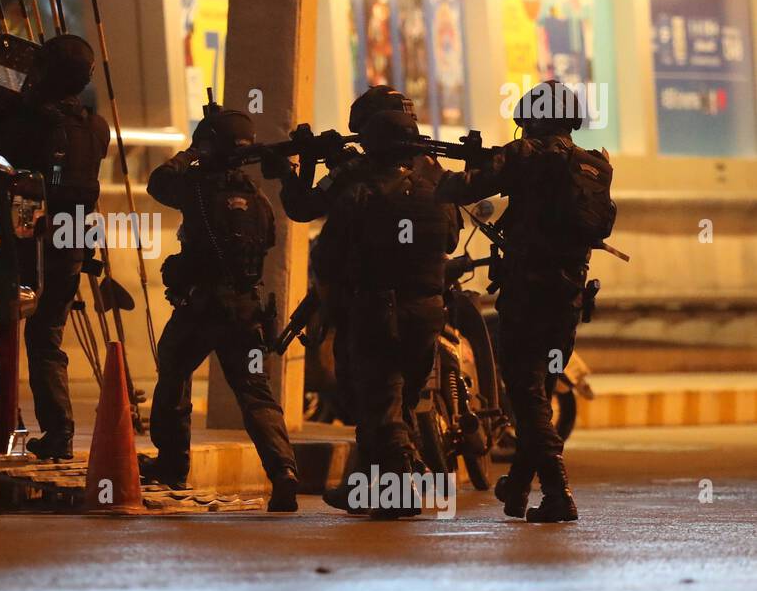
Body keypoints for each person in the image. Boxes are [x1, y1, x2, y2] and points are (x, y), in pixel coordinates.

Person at [436, 81, 614, 522]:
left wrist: (421, 170)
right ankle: (516, 489)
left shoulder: (525, 156)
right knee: (539, 392)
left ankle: (557, 493)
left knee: (525, 392)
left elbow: (461, 188)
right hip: (569, 297)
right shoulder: (595, 166)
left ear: (531, 120)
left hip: (529, 295)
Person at [143, 107, 300, 511]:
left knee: (173, 373)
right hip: (246, 312)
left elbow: (157, 182)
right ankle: (283, 471)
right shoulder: (256, 196)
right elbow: (267, 242)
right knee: (256, 394)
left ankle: (172, 465)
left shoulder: (196, 187)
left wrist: (190, 153)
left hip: (201, 308)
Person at [321, 108, 461, 518]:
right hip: (427, 313)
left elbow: (327, 256)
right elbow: (449, 239)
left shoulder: (359, 194)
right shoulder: (435, 192)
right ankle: (369, 489)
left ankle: (400, 493)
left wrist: (335, 308)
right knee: (396, 402)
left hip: (378, 311)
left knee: (382, 404)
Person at [261, 86, 418, 429]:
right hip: (422, 300)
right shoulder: (426, 173)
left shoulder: (357, 175)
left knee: (362, 393)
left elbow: (303, 208)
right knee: (398, 394)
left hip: (366, 300)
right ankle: (397, 467)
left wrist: (293, 172)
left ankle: (387, 470)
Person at [0, 34, 110, 461]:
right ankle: (58, 434)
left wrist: (8, 76)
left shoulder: (28, 123)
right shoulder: (97, 128)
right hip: (73, 244)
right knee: (46, 338)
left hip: (30, 244)